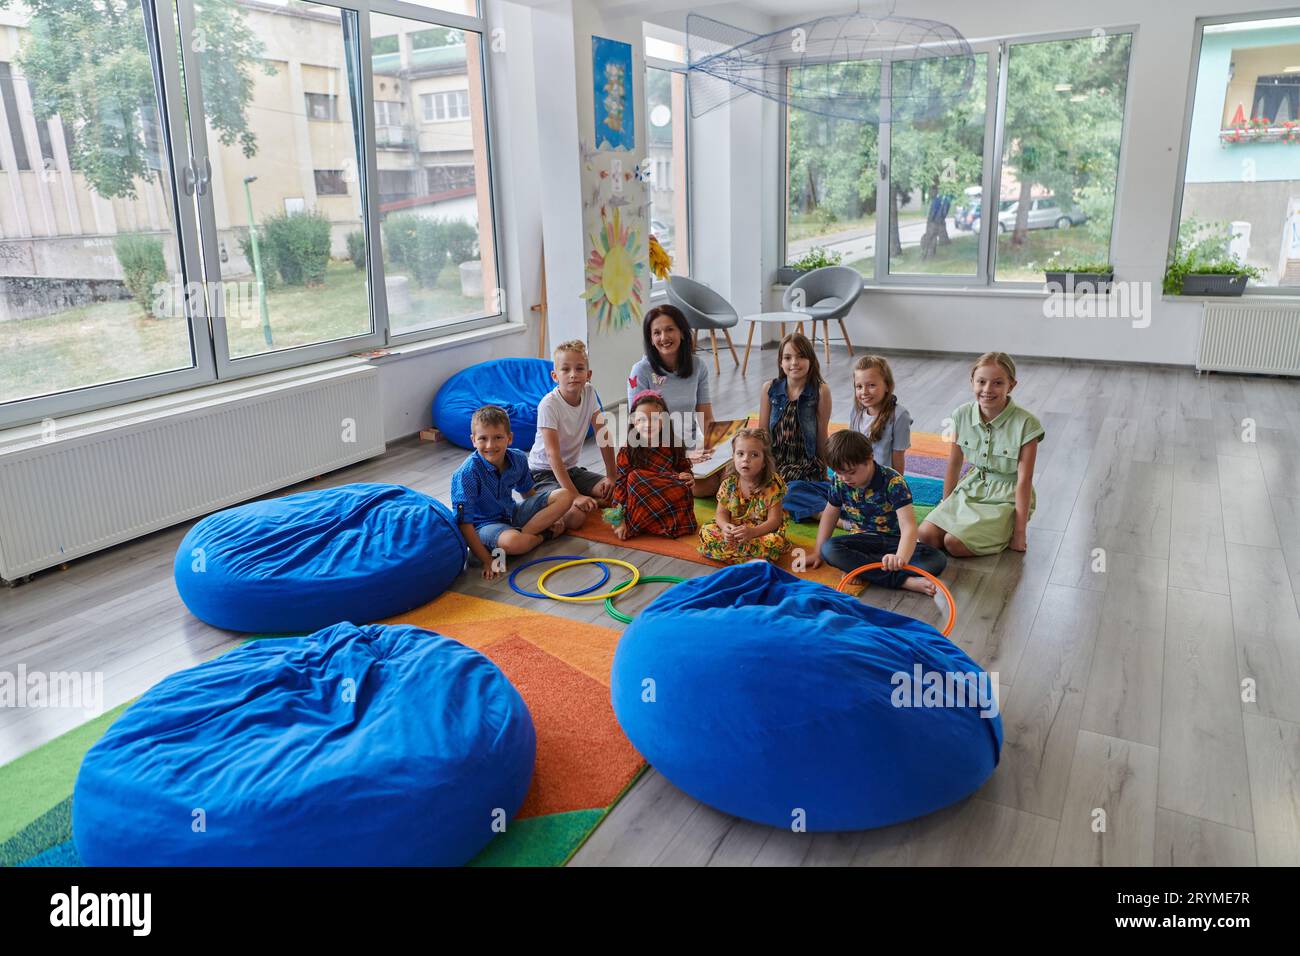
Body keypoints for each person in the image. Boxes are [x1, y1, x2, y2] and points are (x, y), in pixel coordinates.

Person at [918, 351, 1045, 556]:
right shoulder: (961, 415)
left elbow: (1025, 480)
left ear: (1011, 385)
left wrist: (1019, 533)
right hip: (972, 488)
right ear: (972, 382)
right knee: (926, 535)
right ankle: (963, 524)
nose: (987, 389)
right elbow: (954, 463)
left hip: (1007, 497)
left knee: (953, 543)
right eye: (981, 382)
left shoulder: (1027, 424)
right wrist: (946, 504)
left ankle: (1002, 530)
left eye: (997, 383)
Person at [809, 430, 946, 595]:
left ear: (869, 458)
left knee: (936, 561)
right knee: (829, 549)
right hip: (863, 541)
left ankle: (860, 568)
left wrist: (900, 558)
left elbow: (909, 527)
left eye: (851, 472)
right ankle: (903, 581)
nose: (845, 478)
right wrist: (818, 552)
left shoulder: (893, 482)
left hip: (894, 542)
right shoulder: (839, 481)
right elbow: (829, 515)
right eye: (839, 472)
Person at [451, 405, 574, 580]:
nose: (490, 445)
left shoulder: (518, 458)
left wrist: (547, 514)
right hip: (484, 526)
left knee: (565, 496)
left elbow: (528, 493)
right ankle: (542, 535)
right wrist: (487, 561)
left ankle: (522, 538)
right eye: (483, 439)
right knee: (514, 542)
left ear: (509, 438)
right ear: (473, 440)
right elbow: (464, 524)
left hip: (511, 513)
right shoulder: (466, 473)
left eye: (498, 438)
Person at [627, 304, 720, 496]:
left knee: (733, 470)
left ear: (682, 333)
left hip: (691, 450)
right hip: (655, 453)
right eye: (657, 333)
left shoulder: (698, 366)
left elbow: (707, 418)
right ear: (651, 340)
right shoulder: (640, 371)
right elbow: (640, 429)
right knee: (708, 486)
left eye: (670, 329)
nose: (664, 337)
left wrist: (715, 449)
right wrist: (683, 458)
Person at [528, 339, 617, 530]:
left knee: (617, 492)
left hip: (570, 470)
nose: (573, 375)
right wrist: (574, 495)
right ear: (554, 375)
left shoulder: (590, 392)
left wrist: (612, 475)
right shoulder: (549, 405)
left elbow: (603, 435)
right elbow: (552, 456)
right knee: (576, 517)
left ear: (588, 374)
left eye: (579, 369)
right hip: (541, 474)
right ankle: (544, 506)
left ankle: (586, 499)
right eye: (565, 369)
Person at [604, 390, 697, 540]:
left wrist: (688, 477)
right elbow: (620, 486)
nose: (648, 425)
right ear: (634, 421)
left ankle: (653, 524)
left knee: (683, 486)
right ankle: (638, 523)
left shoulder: (674, 444)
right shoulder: (627, 451)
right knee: (635, 477)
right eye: (641, 419)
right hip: (641, 503)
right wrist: (618, 519)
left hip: (667, 500)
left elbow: (684, 469)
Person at [760, 332, 832, 523]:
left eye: (801, 356)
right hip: (774, 465)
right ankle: (822, 505)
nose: (794, 362)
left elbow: (822, 435)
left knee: (788, 492)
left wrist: (825, 471)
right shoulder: (769, 388)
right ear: (780, 362)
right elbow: (762, 435)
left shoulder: (820, 391)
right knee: (733, 480)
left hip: (804, 467)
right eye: (788, 357)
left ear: (810, 359)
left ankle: (827, 514)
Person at [698, 427, 789, 563]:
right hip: (736, 530)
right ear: (733, 457)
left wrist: (752, 533)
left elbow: (774, 521)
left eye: (754, 455)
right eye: (740, 454)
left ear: (764, 461)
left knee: (774, 542)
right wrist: (726, 528)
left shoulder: (772, 485)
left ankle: (734, 553)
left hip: (761, 532)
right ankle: (744, 554)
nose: (746, 460)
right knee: (706, 530)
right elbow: (721, 514)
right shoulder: (729, 484)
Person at [849, 354, 912, 474]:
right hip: (857, 476)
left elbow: (898, 456)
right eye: (859, 386)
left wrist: (897, 485)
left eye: (871, 385)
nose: (864, 392)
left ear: (887, 386)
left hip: (883, 480)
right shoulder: (856, 411)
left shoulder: (899, 415)